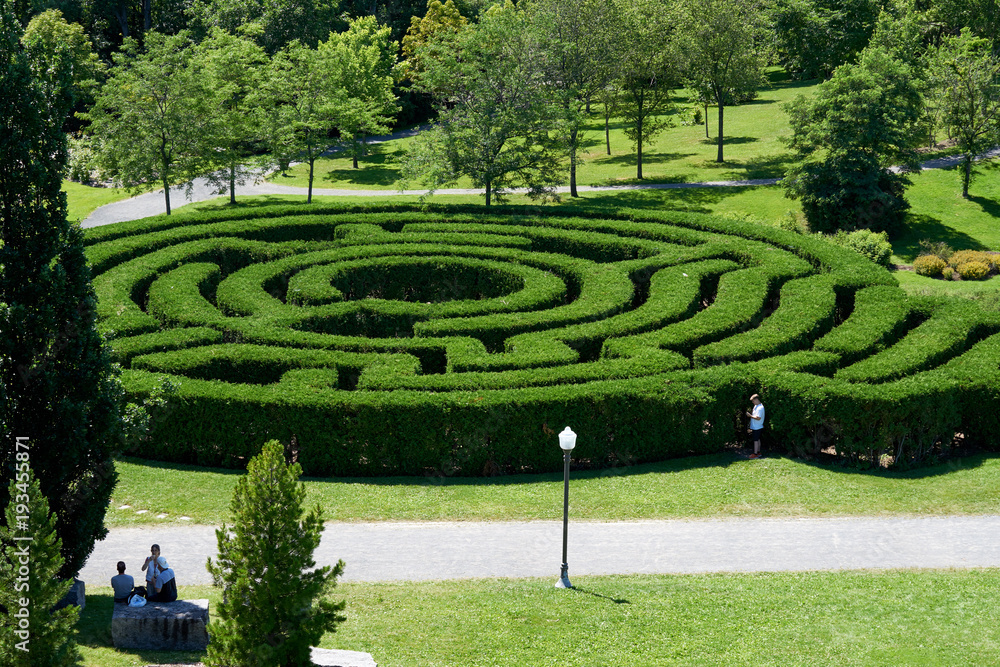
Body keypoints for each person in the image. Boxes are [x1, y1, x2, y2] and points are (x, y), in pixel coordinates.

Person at [746, 393, 765, 459]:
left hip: (757, 427)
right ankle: (758, 452)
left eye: (753, 401)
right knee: (758, 439)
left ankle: (755, 454)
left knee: (755, 440)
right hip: (756, 426)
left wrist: (750, 416)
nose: (752, 402)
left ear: (756, 399)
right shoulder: (756, 406)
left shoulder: (760, 408)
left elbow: (758, 417)